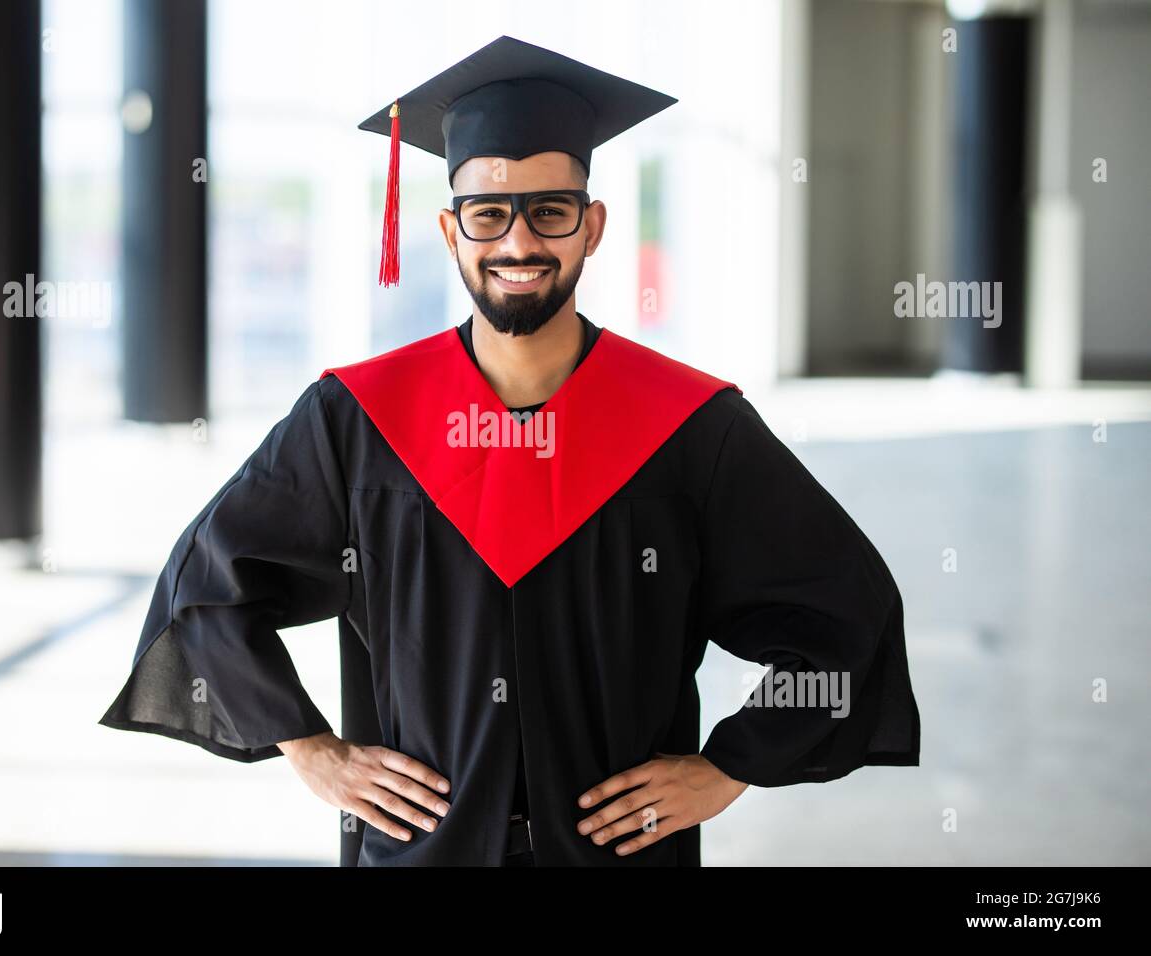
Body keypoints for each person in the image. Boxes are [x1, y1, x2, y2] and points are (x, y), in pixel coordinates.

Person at [99, 35, 920, 867]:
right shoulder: (358, 418)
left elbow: (845, 614)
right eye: (489, 214)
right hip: (420, 853)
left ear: (591, 226)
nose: (519, 243)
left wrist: (729, 767)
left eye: (550, 211)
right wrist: (313, 748)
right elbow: (205, 589)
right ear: (451, 232)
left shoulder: (688, 424)